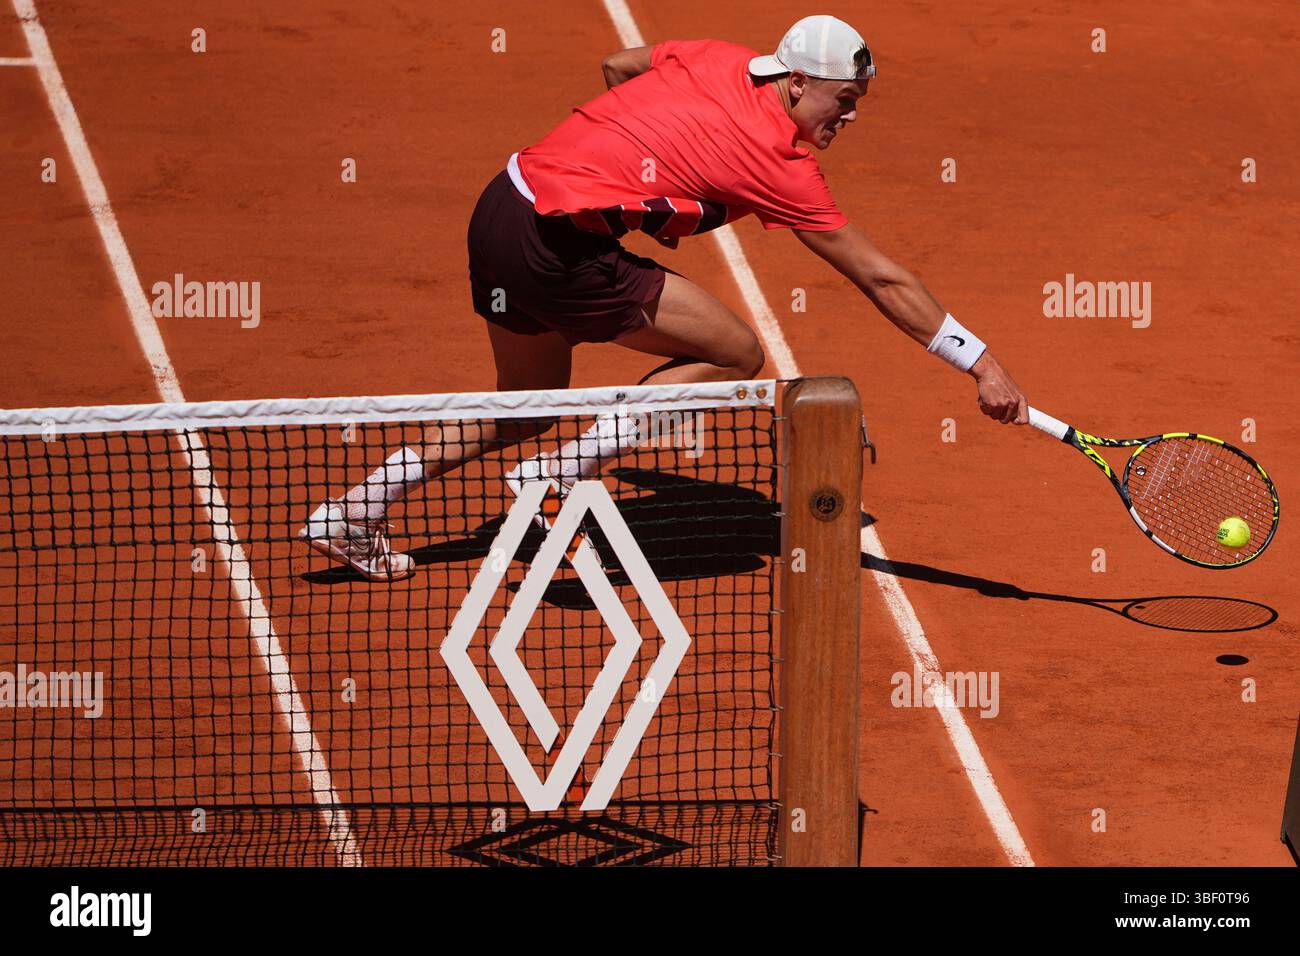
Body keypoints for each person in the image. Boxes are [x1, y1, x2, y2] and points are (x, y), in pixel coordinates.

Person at [300, 14, 1029, 580]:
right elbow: (882, 277)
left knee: (522, 408)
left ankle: (356, 510)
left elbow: (620, 64)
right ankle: (563, 471)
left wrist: (637, 185)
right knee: (737, 353)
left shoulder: (714, 55)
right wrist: (982, 363)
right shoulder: (779, 165)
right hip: (560, 248)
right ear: (800, 84)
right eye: (845, 99)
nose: (852, 115)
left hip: (502, 207)